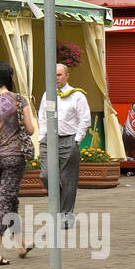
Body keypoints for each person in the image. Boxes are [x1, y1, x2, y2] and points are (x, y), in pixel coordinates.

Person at [0, 62, 37, 263]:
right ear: (10, 77)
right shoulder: (19, 100)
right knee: (4, 202)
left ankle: (21, 244)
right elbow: (30, 129)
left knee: (10, 200)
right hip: (14, 156)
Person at [38, 63, 90, 230]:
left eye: (59, 75)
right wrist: (42, 136)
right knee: (45, 175)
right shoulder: (48, 95)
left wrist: (77, 140)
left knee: (68, 180)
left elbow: (85, 119)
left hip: (68, 140)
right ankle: (61, 206)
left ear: (67, 76)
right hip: (49, 140)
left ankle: (66, 216)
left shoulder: (77, 95)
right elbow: (42, 116)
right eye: (54, 75)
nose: (56, 78)